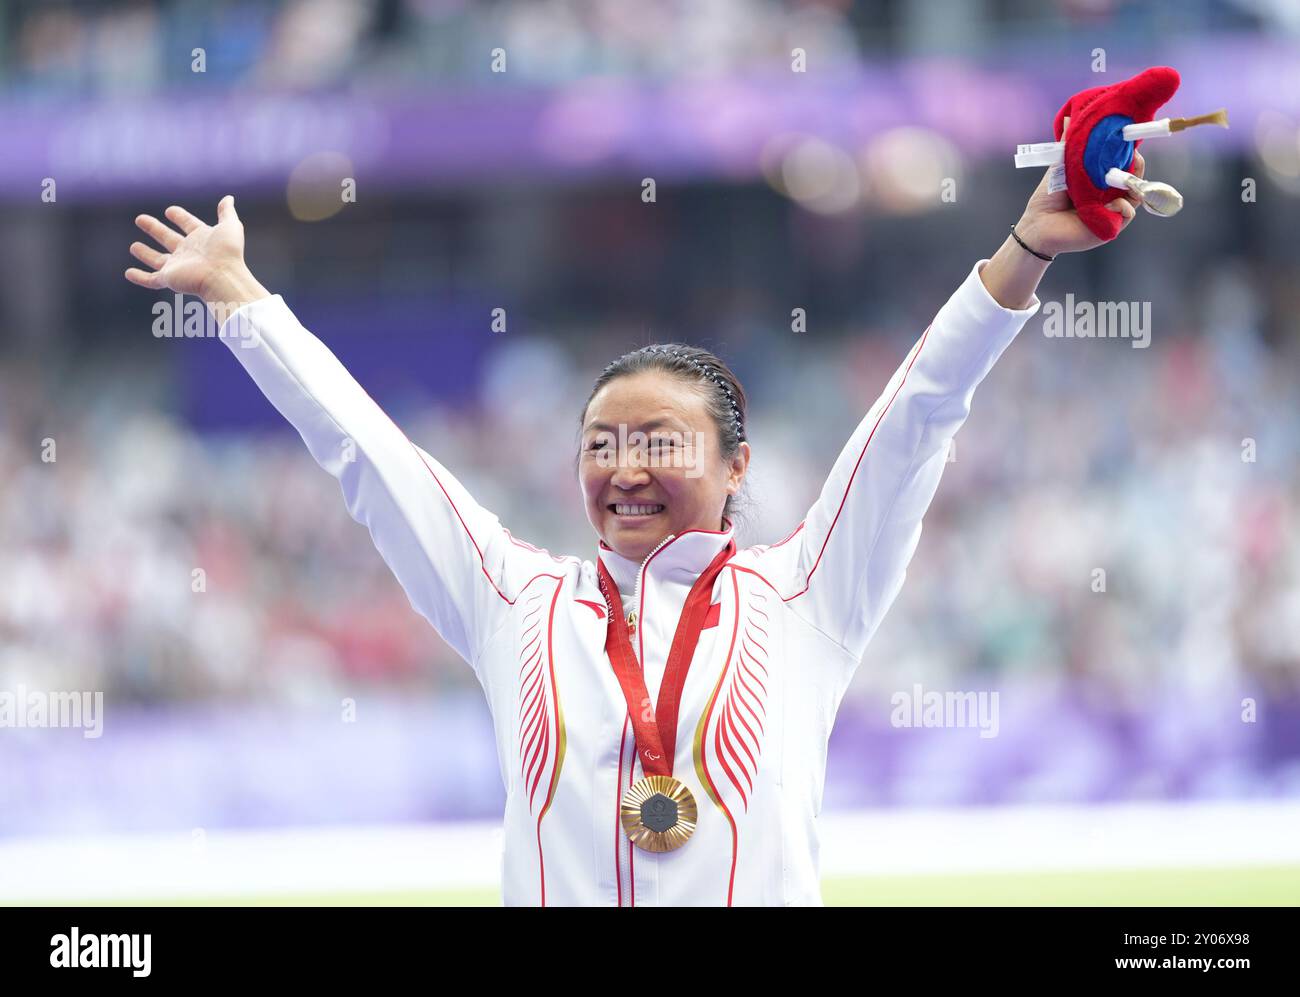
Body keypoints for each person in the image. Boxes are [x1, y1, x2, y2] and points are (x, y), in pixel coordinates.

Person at [124, 125, 1146, 906]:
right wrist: (241, 299)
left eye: (659, 441)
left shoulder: (808, 592)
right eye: (600, 443)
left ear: (736, 465)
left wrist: (1025, 249)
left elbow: (919, 411)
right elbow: (369, 454)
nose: (624, 469)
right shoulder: (515, 600)